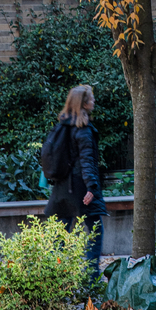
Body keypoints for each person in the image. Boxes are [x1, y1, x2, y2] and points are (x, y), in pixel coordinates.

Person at [43, 84, 107, 277]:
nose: (94, 101)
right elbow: (87, 161)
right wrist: (91, 187)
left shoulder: (61, 126)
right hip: (81, 186)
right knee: (95, 230)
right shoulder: (83, 130)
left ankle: (55, 276)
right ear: (84, 104)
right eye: (91, 99)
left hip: (62, 187)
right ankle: (91, 277)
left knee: (60, 233)